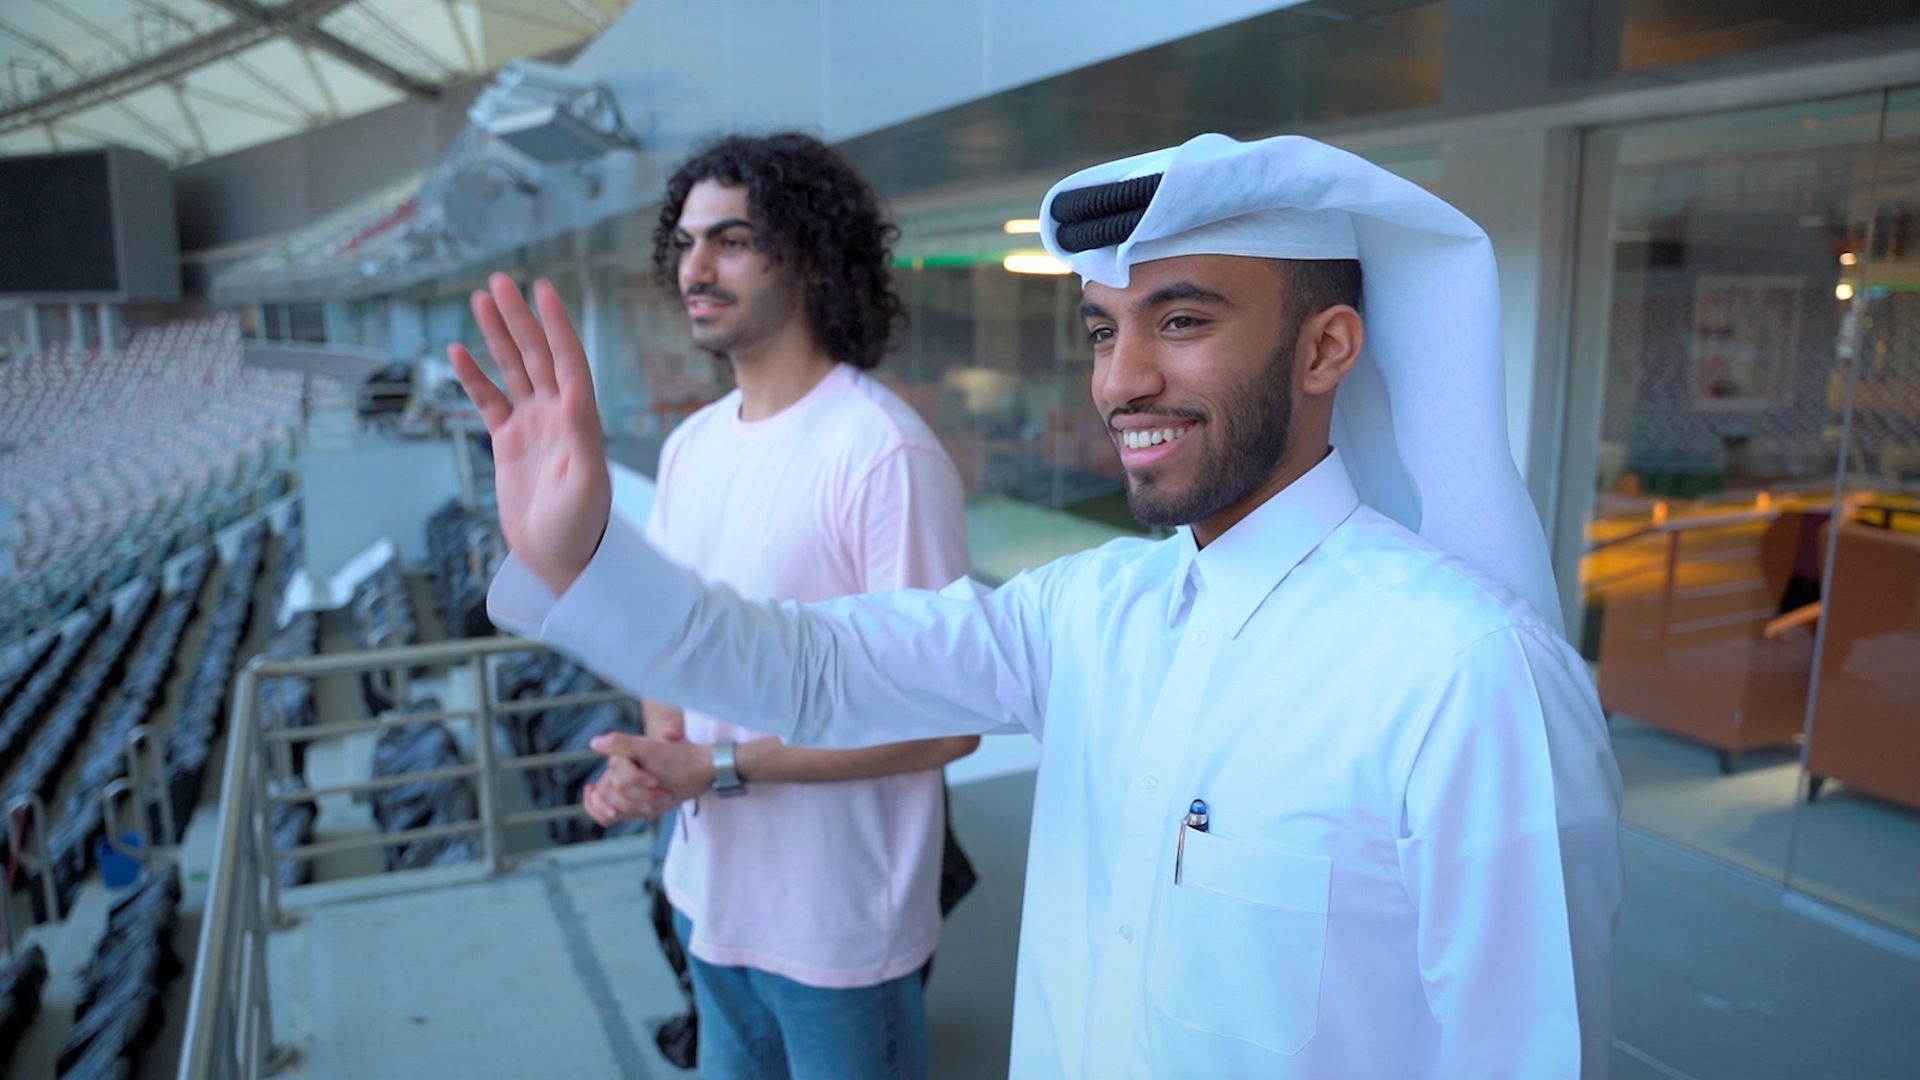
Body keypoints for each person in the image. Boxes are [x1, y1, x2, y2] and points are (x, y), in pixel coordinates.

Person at [451, 132, 1624, 1079]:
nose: (1121, 381)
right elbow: (805, 671)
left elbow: (1521, 1053)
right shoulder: (1087, 611)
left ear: (1326, 349)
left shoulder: (1466, 675)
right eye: (1104, 331)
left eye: (1182, 319)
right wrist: (582, 554)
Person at [455, 133, 979, 1079]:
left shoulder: (881, 453)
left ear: (813, 257)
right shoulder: (693, 447)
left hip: (839, 933)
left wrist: (719, 766)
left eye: (731, 240)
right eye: (687, 242)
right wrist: (657, 758)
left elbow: (947, 723)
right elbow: (673, 657)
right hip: (704, 896)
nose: (694, 266)